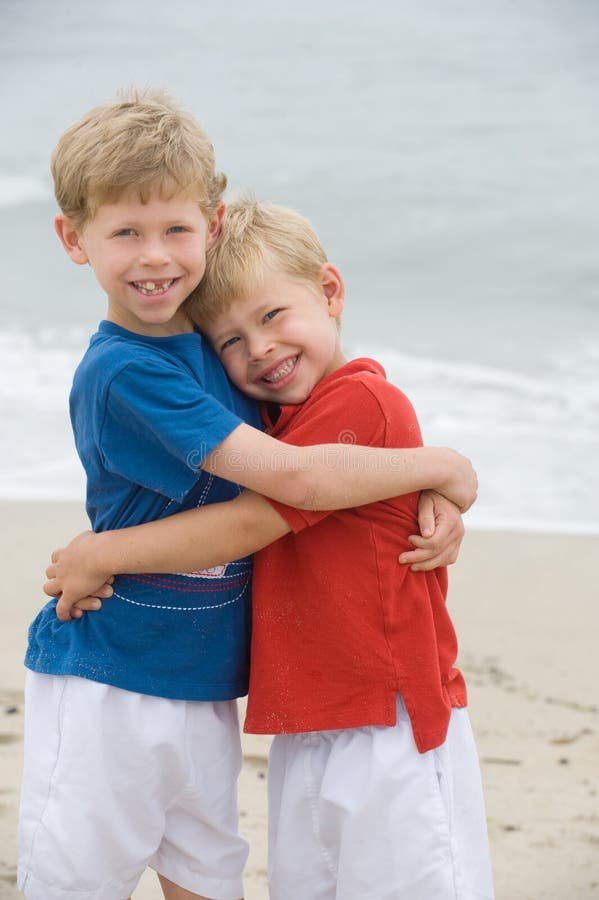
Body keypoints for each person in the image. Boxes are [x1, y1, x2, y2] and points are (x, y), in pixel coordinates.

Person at [19, 90, 476, 900]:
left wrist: (428, 477)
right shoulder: (133, 369)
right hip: (122, 668)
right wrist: (436, 467)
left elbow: (314, 477)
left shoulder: (241, 368)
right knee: (79, 875)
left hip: (246, 690)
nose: (155, 255)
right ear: (74, 239)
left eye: (175, 230)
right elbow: (294, 486)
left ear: (211, 226)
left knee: (208, 871)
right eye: (125, 231)